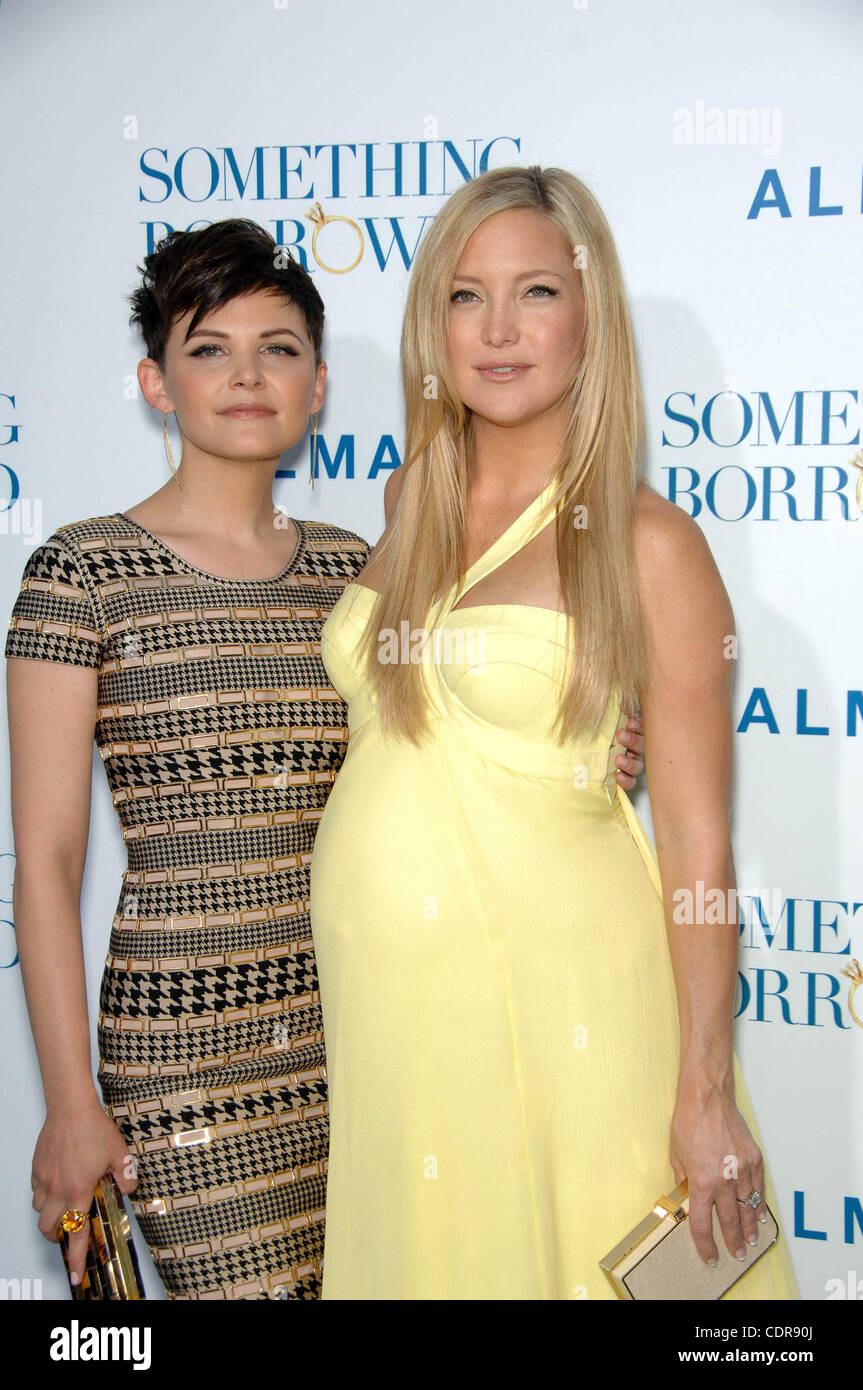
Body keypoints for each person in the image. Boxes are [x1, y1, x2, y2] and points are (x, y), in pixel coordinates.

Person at [309, 165, 799, 1299]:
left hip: (569, 997)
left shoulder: (647, 545)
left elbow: (691, 843)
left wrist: (705, 1089)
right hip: (393, 1016)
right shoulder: (403, 503)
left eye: (534, 291)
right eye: (463, 296)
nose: (495, 329)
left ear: (590, 318)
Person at [4, 219, 374, 1299]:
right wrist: (72, 1102)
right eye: (208, 347)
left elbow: (446, 749)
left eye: (279, 347)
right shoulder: (80, 569)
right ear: (156, 383)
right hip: (182, 1055)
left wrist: (604, 736)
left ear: (317, 385)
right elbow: (47, 859)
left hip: (355, 1025)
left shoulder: (359, 575)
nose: (247, 374)